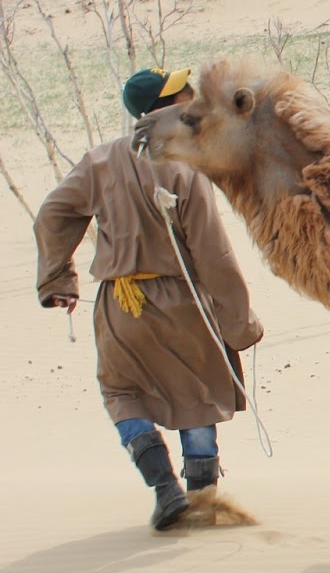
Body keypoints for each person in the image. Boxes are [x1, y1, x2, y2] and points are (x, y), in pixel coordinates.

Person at [35, 68, 264, 530]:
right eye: (182, 92)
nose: (191, 96)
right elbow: (212, 252)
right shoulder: (184, 167)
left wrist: (58, 280)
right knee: (196, 392)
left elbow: (53, 213)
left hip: (119, 307)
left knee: (122, 394)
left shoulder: (98, 161)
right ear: (164, 108)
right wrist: (240, 323)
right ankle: (202, 497)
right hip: (181, 303)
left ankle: (164, 490)